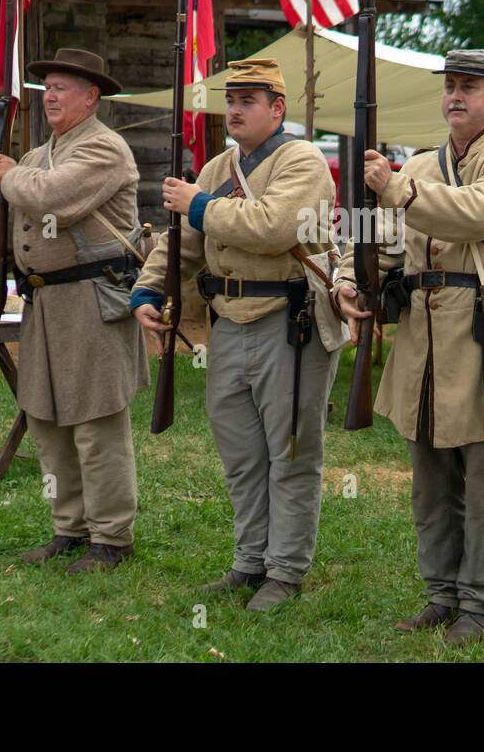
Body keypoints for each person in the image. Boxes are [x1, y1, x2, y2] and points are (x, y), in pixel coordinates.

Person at [335, 49, 484, 644]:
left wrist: (399, 190)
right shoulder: (424, 165)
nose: (456, 95)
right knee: (429, 479)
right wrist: (351, 277)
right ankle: (441, 593)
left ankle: (481, 604)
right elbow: (379, 241)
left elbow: (475, 214)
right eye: (450, 85)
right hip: (424, 340)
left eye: (470, 87)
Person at [132, 57, 344, 612]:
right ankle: (250, 561)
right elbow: (183, 242)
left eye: (247, 101)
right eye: (230, 100)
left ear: (278, 108)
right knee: (243, 455)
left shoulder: (303, 160)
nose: (234, 110)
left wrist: (200, 205)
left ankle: (286, 571)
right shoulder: (217, 167)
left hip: (289, 320)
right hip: (228, 321)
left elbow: (277, 226)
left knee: (292, 452)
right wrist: (149, 290)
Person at [0, 48, 149, 574]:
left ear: (91, 98)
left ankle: (111, 537)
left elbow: (53, 198)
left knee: (94, 424)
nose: (52, 96)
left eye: (63, 88)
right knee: (46, 421)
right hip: (44, 301)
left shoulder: (105, 149)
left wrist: (6, 175)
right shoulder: (32, 159)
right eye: (48, 88)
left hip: (92, 299)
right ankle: (70, 528)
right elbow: (2, 229)